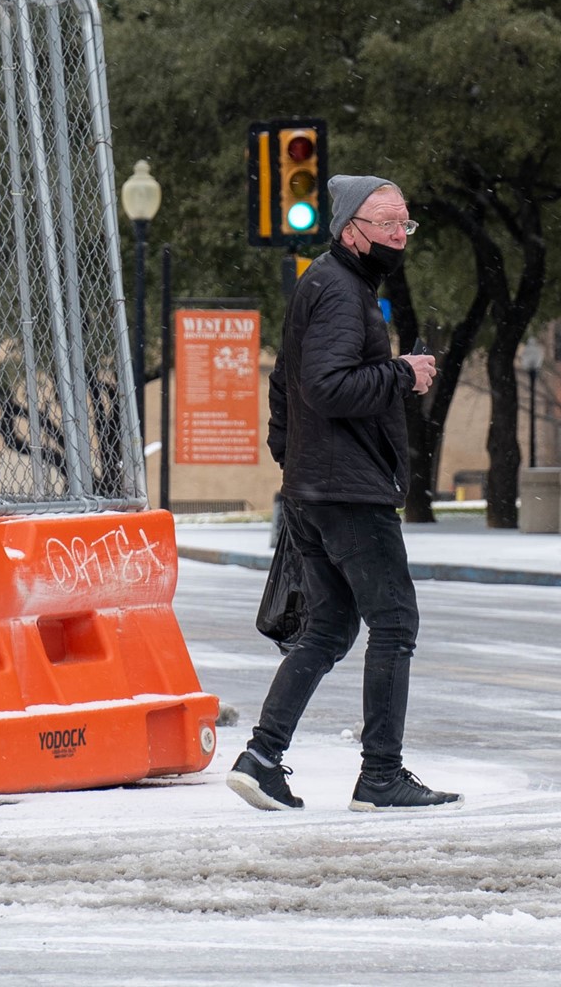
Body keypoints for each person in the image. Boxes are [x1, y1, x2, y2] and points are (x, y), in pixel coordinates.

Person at [226, 174, 460, 812]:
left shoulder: (332, 286)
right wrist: (401, 373)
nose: (398, 235)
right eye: (387, 223)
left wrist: (295, 461)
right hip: (347, 493)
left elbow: (286, 385)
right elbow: (325, 387)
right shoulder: (338, 290)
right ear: (350, 227)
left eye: (404, 224)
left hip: (318, 487)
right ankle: (381, 775)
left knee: (328, 629)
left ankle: (261, 757)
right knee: (394, 622)